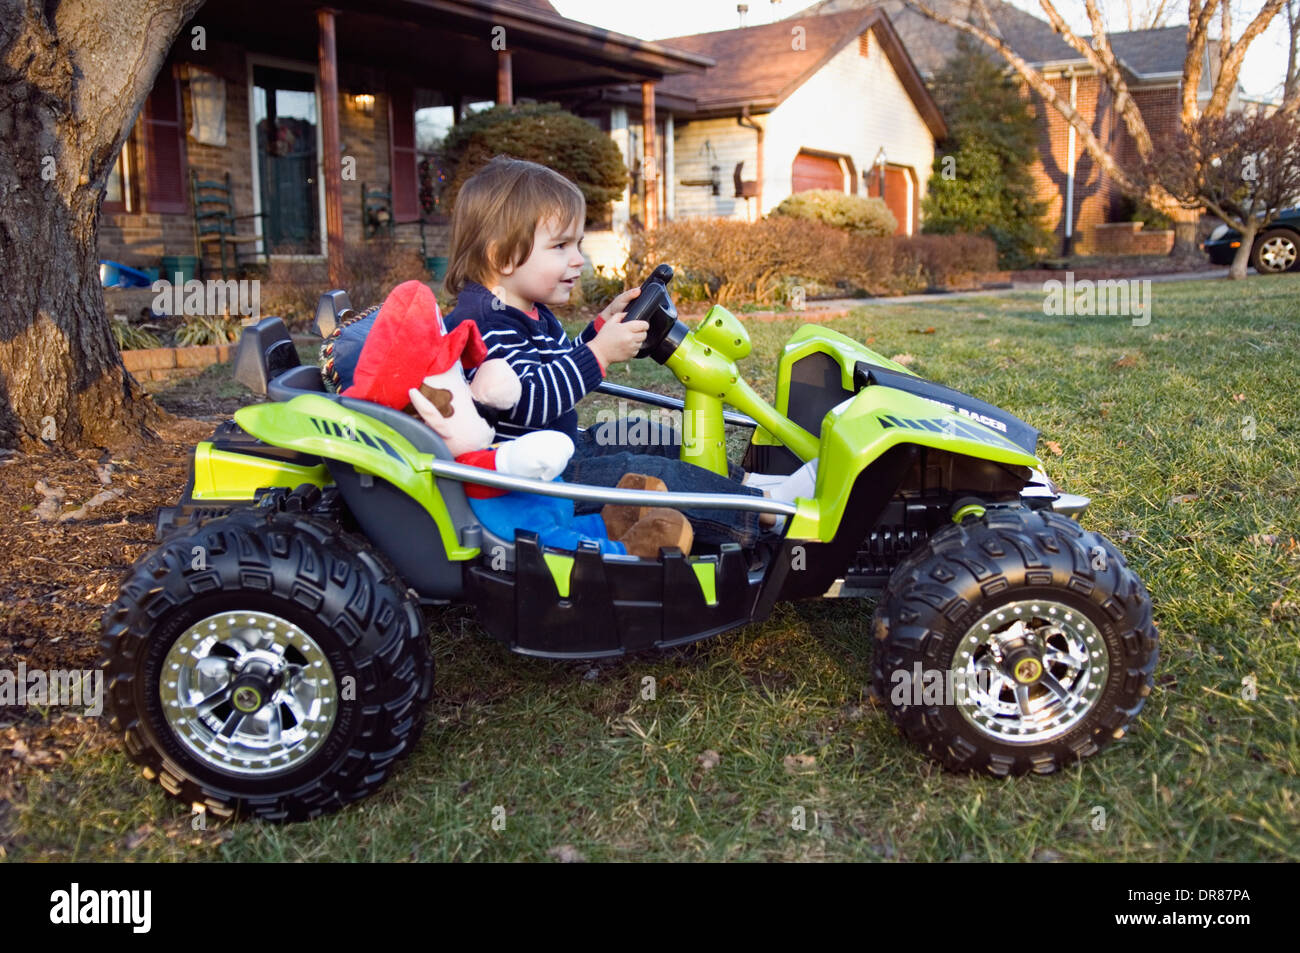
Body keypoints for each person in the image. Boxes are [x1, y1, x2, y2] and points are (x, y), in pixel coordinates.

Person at [441, 155, 815, 548]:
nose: (578, 259)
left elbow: (550, 366)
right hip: (533, 483)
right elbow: (529, 401)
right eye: (560, 246)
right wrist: (599, 354)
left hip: (562, 451)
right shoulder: (486, 323)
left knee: (643, 434)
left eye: (579, 244)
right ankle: (766, 512)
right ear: (501, 256)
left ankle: (750, 486)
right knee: (643, 473)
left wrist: (597, 330)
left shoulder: (524, 309)